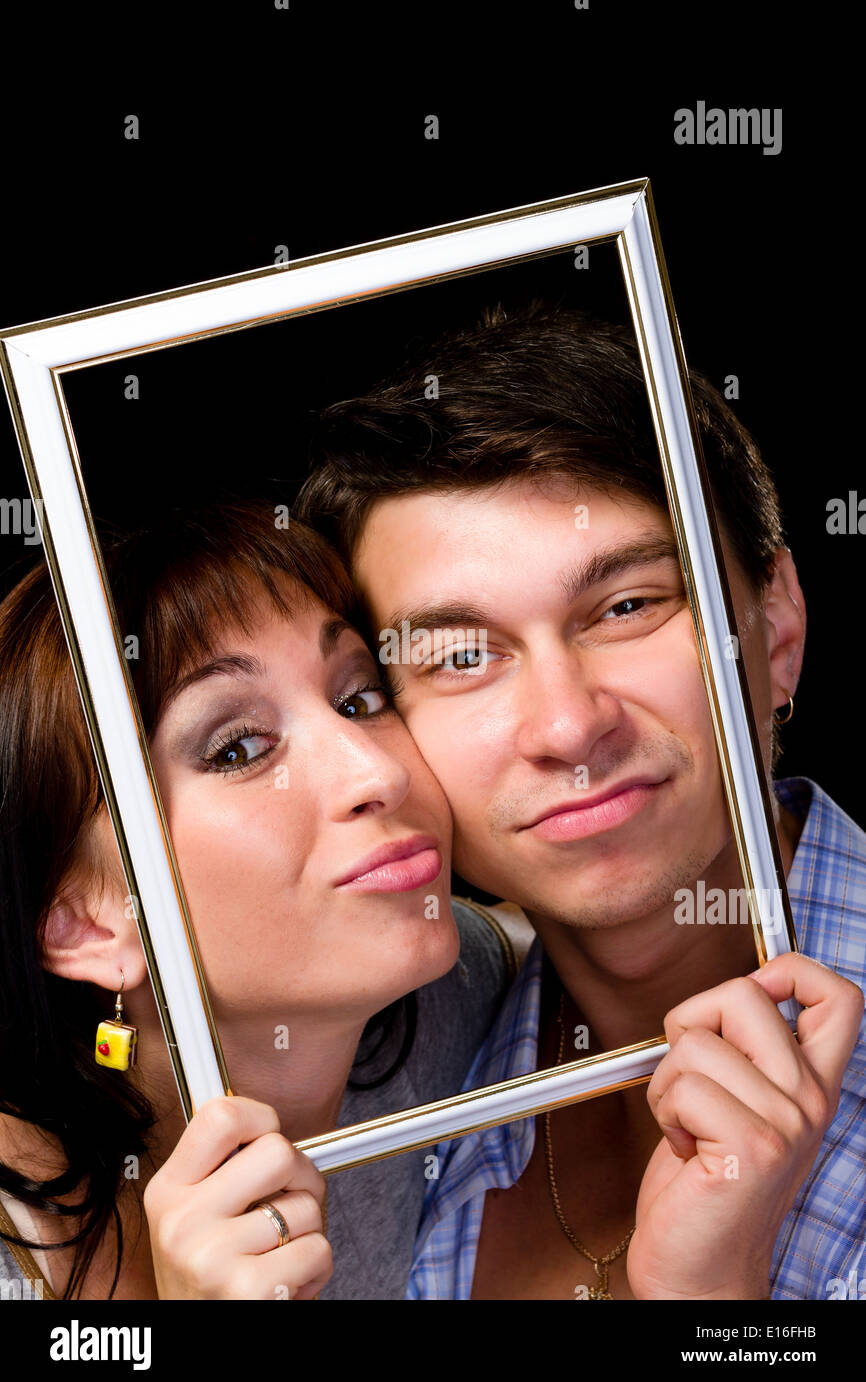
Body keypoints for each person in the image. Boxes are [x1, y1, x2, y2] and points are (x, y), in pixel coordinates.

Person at [295, 299, 866, 1299]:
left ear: (774, 631)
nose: (565, 726)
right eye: (461, 656)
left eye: (627, 606)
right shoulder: (413, 1073)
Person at [0, 498, 513, 1300]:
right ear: (85, 923)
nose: (379, 774)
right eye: (237, 748)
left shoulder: (467, 999)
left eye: (359, 699)